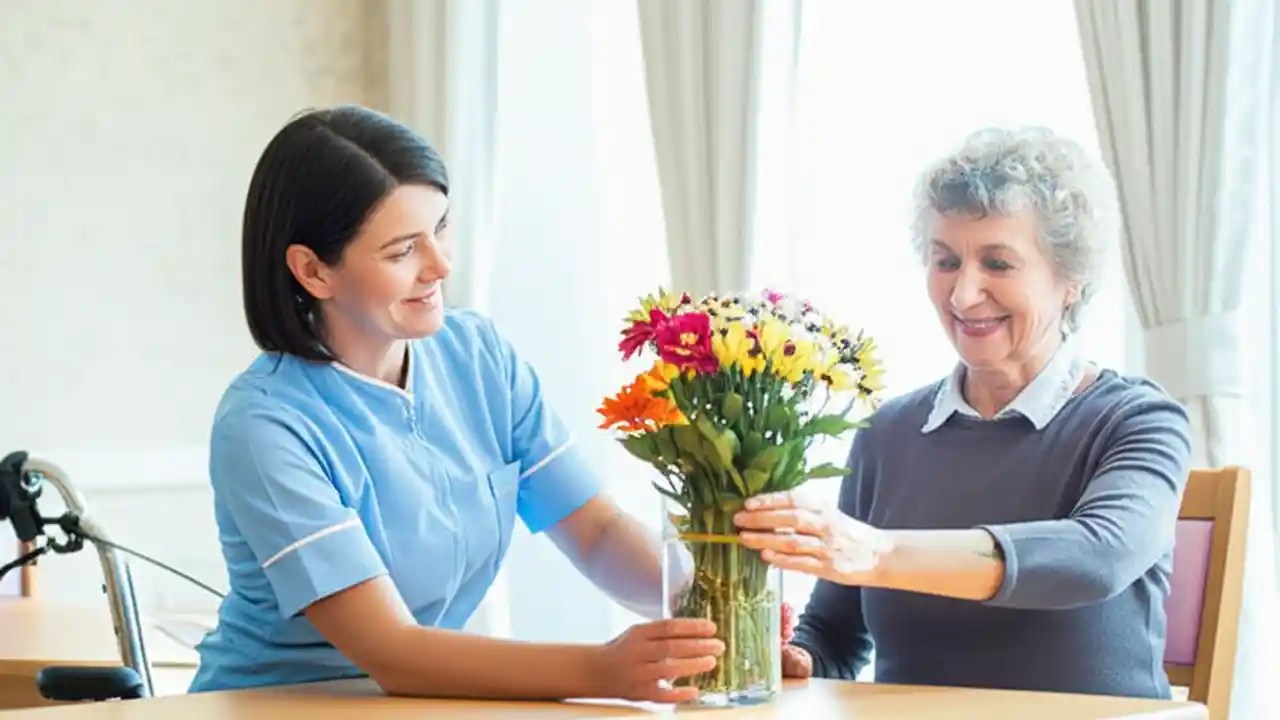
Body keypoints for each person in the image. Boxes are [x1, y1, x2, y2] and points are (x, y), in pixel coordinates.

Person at [188, 105, 723, 702]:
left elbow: (594, 531)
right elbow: (392, 650)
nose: (441, 266)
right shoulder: (265, 425)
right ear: (313, 270)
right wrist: (605, 670)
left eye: (441, 227)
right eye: (401, 251)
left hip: (423, 704)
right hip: (280, 706)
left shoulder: (480, 357)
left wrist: (718, 615)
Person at [734, 127, 1192, 699]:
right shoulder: (888, 433)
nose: (962, 294)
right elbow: (835, 632)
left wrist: (879, 551)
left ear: (1070, 281)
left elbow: (1095, 557)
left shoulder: (1137, 421)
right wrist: (795, 657)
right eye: (946, 261)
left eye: (998, 264)